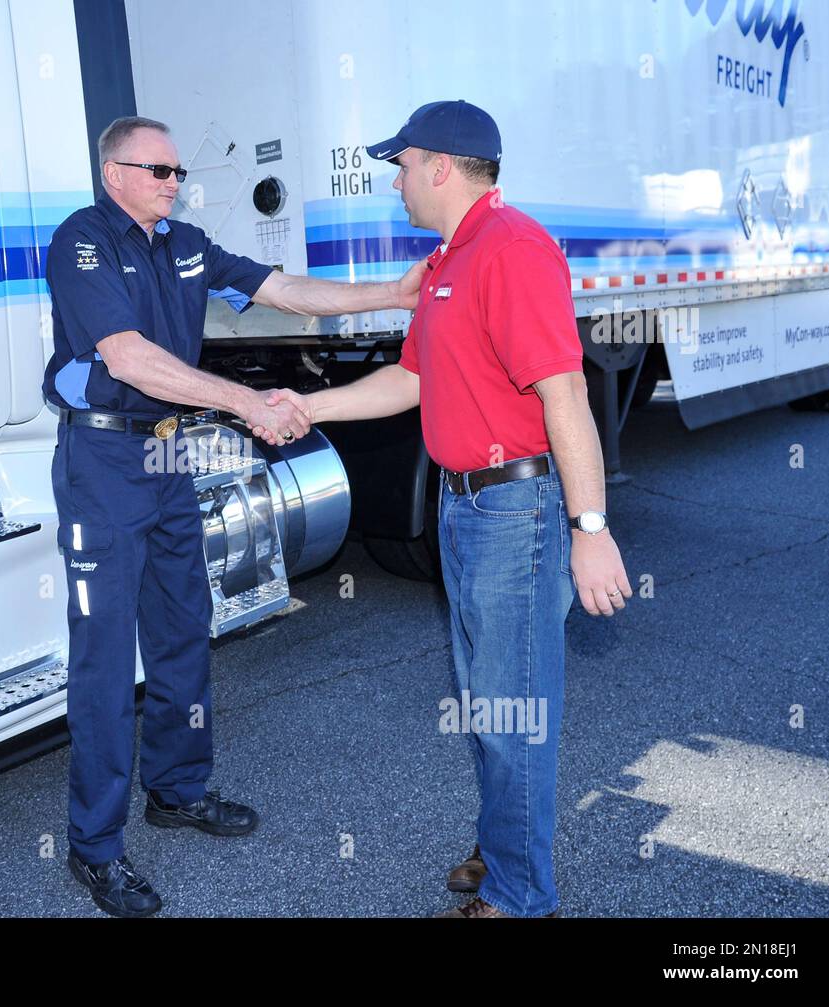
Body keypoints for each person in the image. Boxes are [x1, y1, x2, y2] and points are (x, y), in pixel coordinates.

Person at [43, 115, 426, 917]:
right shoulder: (85, 241)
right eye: (157, 170)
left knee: (185, 629)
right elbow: (130, 358)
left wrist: (390, 294)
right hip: (106, 462)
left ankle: (178, 789)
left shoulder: (184, 242)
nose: (173, 182)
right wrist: (247, 401)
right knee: (107, 661)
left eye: (178, 170)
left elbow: (282, 289)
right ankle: (96, 847)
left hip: (168, 457)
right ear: (114, 172)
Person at [268, 100, 632, 918]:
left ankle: (517, 896)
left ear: (441, 166)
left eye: (401, 165)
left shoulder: (513, 250)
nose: (394, 181)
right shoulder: (444, 263)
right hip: (464, 510)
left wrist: (592, 530)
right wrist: (309, 407)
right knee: (488, 701)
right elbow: (414, 381)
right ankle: (504, 846)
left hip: (520, 512)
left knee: (514, 711)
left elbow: (565, 394)